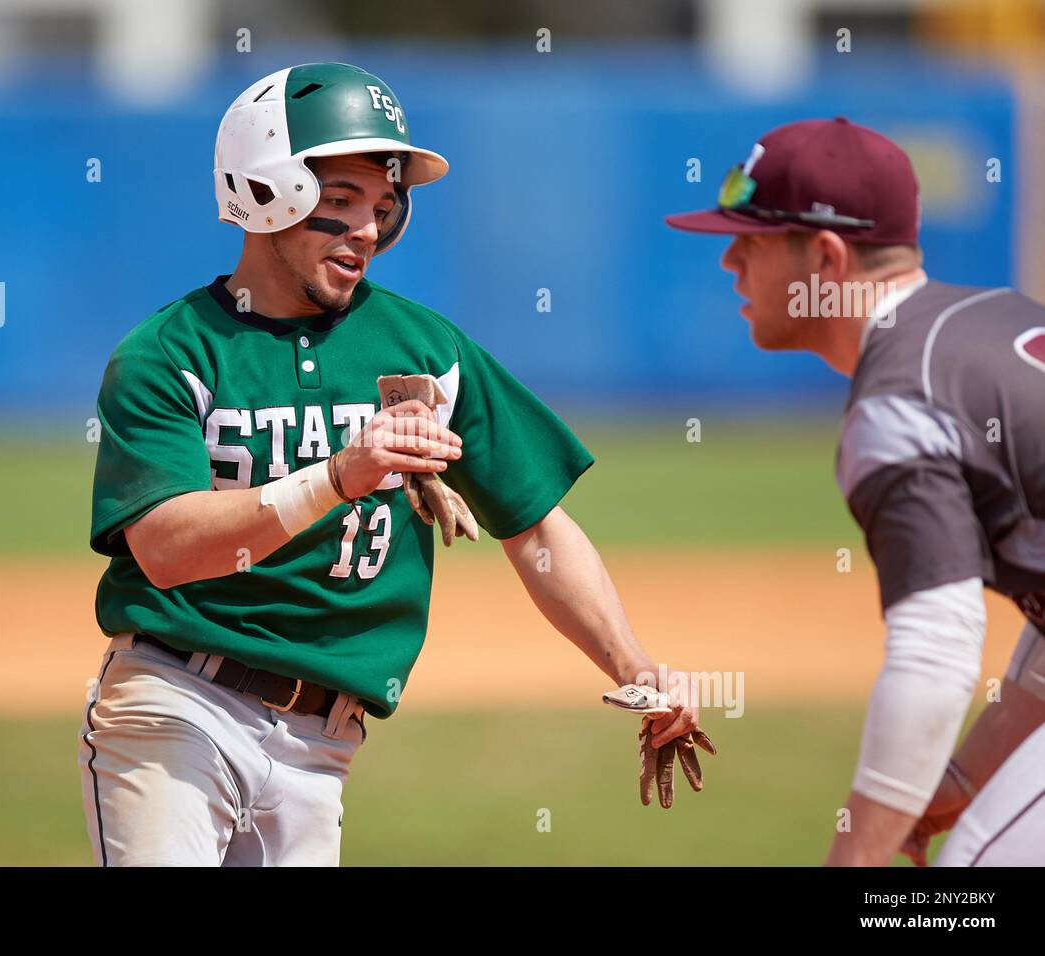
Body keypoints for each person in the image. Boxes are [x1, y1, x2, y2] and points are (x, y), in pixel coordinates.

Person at [78, 62, 706, 867]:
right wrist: (340, 475)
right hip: (177, 707)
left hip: (325, 744)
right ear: (264, 191)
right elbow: (164, 549)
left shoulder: (425, 350)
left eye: (383, 207)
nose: (367, 230)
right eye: (337, 204)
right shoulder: (170, 355)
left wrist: (638, 669)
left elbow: (535, 527)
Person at [666, 116, 1045, 866]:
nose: (730, 261)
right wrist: (966, 775)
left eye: (754, 240)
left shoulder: (902, 401)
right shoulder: (995, 320)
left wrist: (858, 859)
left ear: (828, 258)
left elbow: (935, 653)